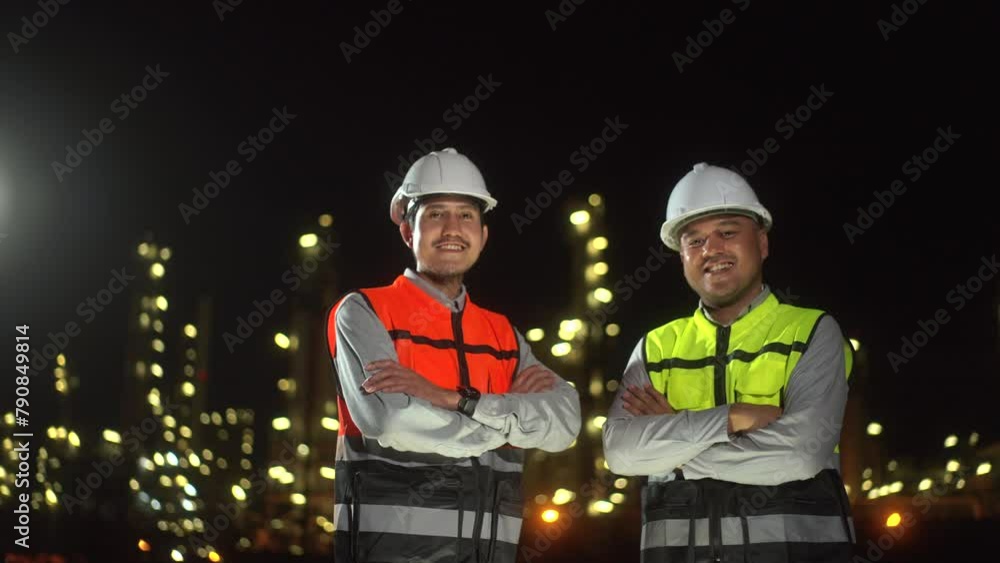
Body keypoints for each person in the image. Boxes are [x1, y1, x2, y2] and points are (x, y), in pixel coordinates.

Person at [326, 147, 582, 562]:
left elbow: (566, 423)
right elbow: (392, 420)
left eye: (466, 216)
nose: (452, 228)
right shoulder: (364, 311)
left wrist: (455, 400)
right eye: (435, 214)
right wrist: (508, 425)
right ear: (408, 232)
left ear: (483, 235)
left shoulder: (503, 335)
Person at [602, 162, 855, 562]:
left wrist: (674, 445)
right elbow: (621, 454)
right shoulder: (656, 347)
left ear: (763, 243)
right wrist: (732, 418)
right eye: (695, 240)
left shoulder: (812, 332)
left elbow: (801, 453)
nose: (712, 250)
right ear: (681, 256)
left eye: (727, 232)